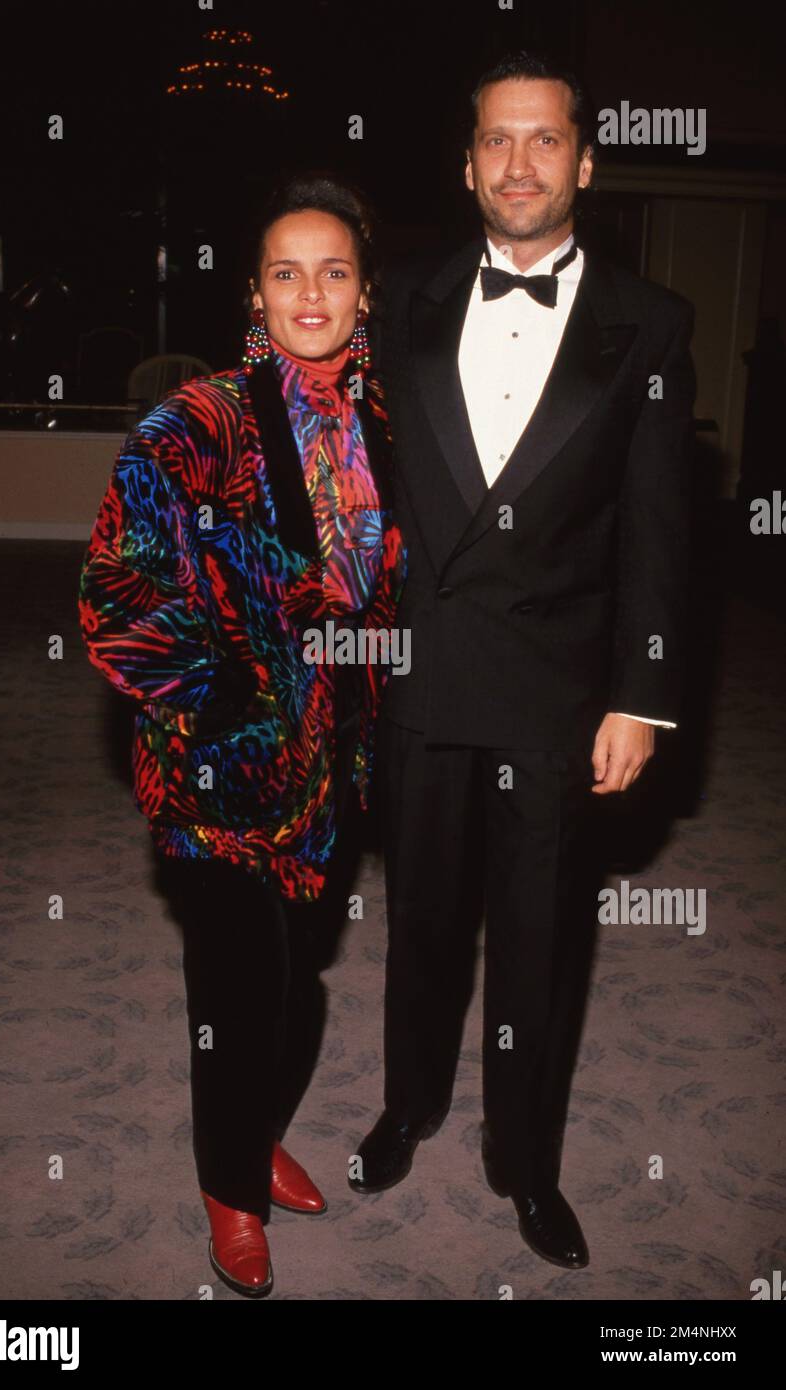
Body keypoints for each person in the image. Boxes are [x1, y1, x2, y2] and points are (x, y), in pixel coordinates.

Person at [351, 51, 696, 1269]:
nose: (518, 162)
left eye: (544, 140)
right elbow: (350, 480)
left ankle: (527, 1160)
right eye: (497, 140)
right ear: (466, 165)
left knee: (543, 940)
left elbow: (659, 527)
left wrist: (642, 697)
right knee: (422, 924)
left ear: (585, 163)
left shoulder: (650, 322)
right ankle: (407, 1104)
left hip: (558, 691)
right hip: (427, 676)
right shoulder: (401, 303)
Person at [78, 175, 405, 1297]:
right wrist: (225, 705)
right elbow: (117, 598)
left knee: (299, 982)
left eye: (334, 270)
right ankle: (230, 1187)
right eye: (285, 271)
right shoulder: (197, 422)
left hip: (331, 762)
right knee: (236, 984)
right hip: (219, 769)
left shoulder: (387, 419)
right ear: (253, 297)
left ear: (364, 293)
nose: (310, 292)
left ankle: (258, 1126)